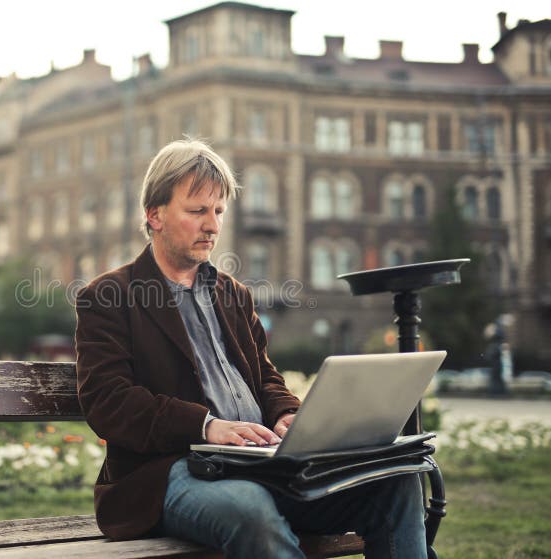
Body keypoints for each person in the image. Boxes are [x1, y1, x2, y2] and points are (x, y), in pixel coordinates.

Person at [75, 139, 427, 558]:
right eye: (196, 211)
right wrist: (206, 426)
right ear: (154, 215)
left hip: (263, 465)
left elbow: (263, 376)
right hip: (169, 471)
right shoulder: (111, 294)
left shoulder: (232, 293)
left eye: (218, 211)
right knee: (252, 510)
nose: (212, 226)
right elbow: (108, 401)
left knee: (397, 482)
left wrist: (286, 415)